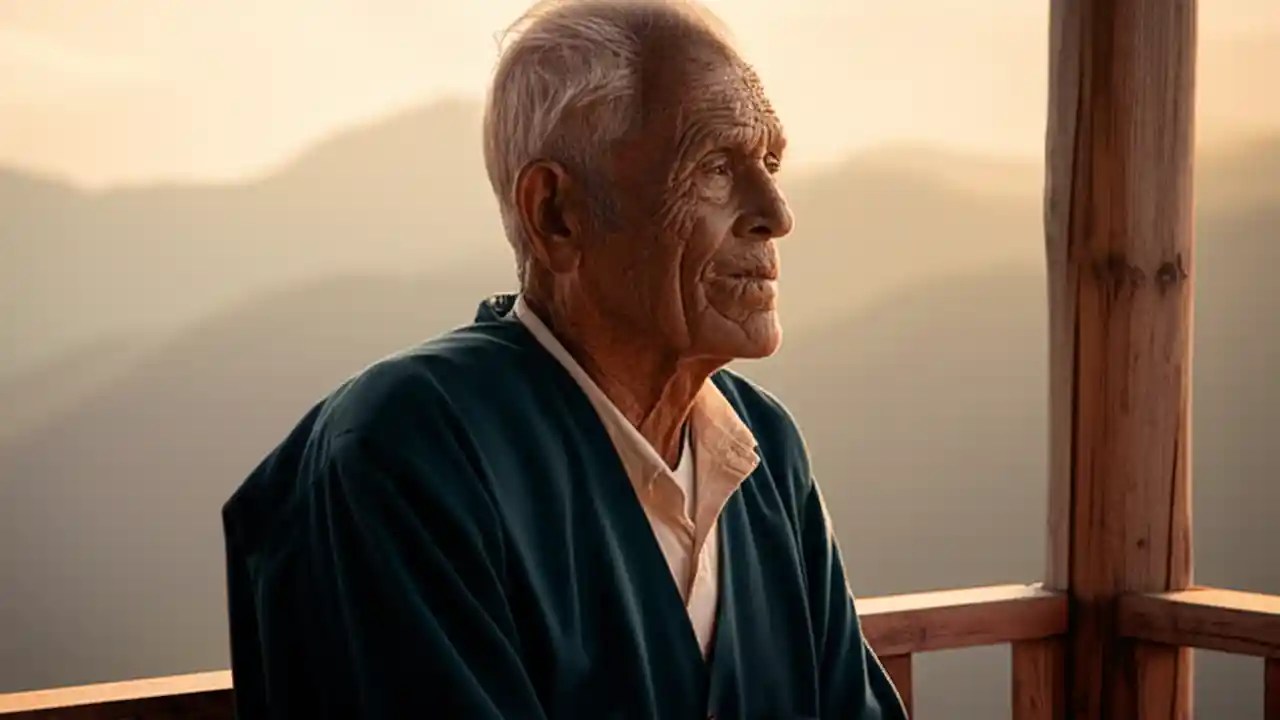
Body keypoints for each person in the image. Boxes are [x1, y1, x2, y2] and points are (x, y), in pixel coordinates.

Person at [222, 1, 907, 717]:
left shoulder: (765, 448)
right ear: (556, 214)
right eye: (713, 165)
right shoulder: (408, 448)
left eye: (769, 162)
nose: (777, 211)